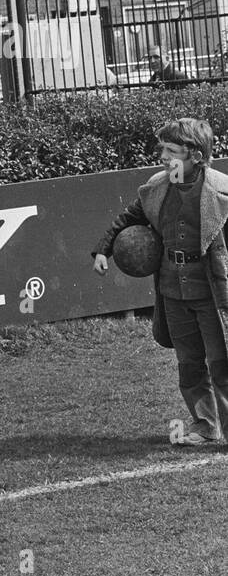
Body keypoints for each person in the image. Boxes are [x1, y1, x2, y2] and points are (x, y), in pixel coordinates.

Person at [92, 118, 228, 446]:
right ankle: (205, 425)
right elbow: (129, 218)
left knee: (222, 361)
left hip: (212, 291)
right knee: (189, 364)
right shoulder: (157, 188)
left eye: (171, 150)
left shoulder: (222, 191)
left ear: (195, 155)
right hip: (172, 290)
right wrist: (102, 250)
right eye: (162, 149)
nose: (164, 157)